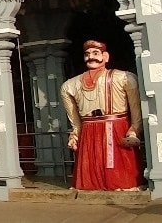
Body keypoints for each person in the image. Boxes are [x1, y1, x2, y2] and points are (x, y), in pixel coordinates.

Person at [61, 39, 144, 191]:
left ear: (105, 56)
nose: (90, 57)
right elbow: (74, 117)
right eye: (87, 54)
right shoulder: (69, 85)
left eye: (95, 53)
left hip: (116, 127)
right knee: (90, 164)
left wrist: (134, 129)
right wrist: (75, 133)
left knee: (119, 168)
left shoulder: (123, 78)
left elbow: (136, 109)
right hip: (88, 129)